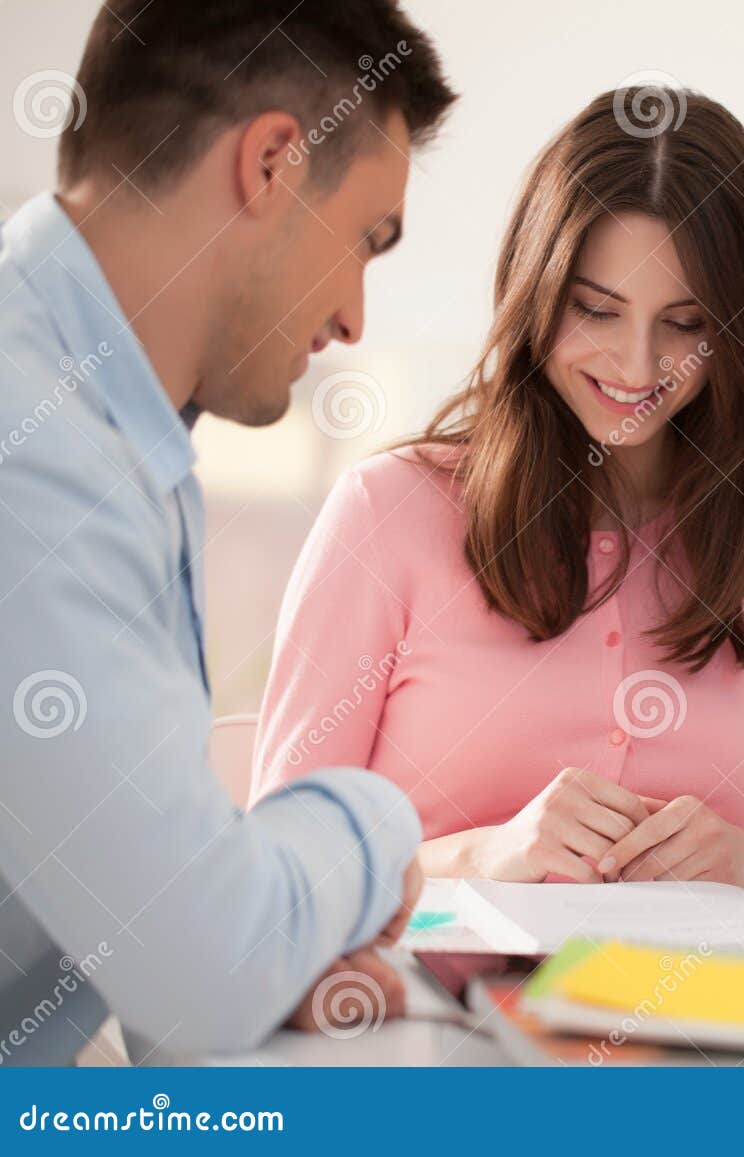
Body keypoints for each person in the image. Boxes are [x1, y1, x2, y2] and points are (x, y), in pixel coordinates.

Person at [250, 89, 744, 887]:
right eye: (597, 311)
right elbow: (278, 869)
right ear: (535, 291)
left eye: (686, 323)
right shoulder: (388, 514)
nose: (639, 366)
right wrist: (476, 856)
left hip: (699, 1009)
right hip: (438, 1008)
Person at [0, 0, 456, 1063]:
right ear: (271, 164)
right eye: (364, 242)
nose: (353, 317)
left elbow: (173, 934)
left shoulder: (105, 426)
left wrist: (257, 944)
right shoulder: (39, 455)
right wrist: (375, 821)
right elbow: (205, 966)